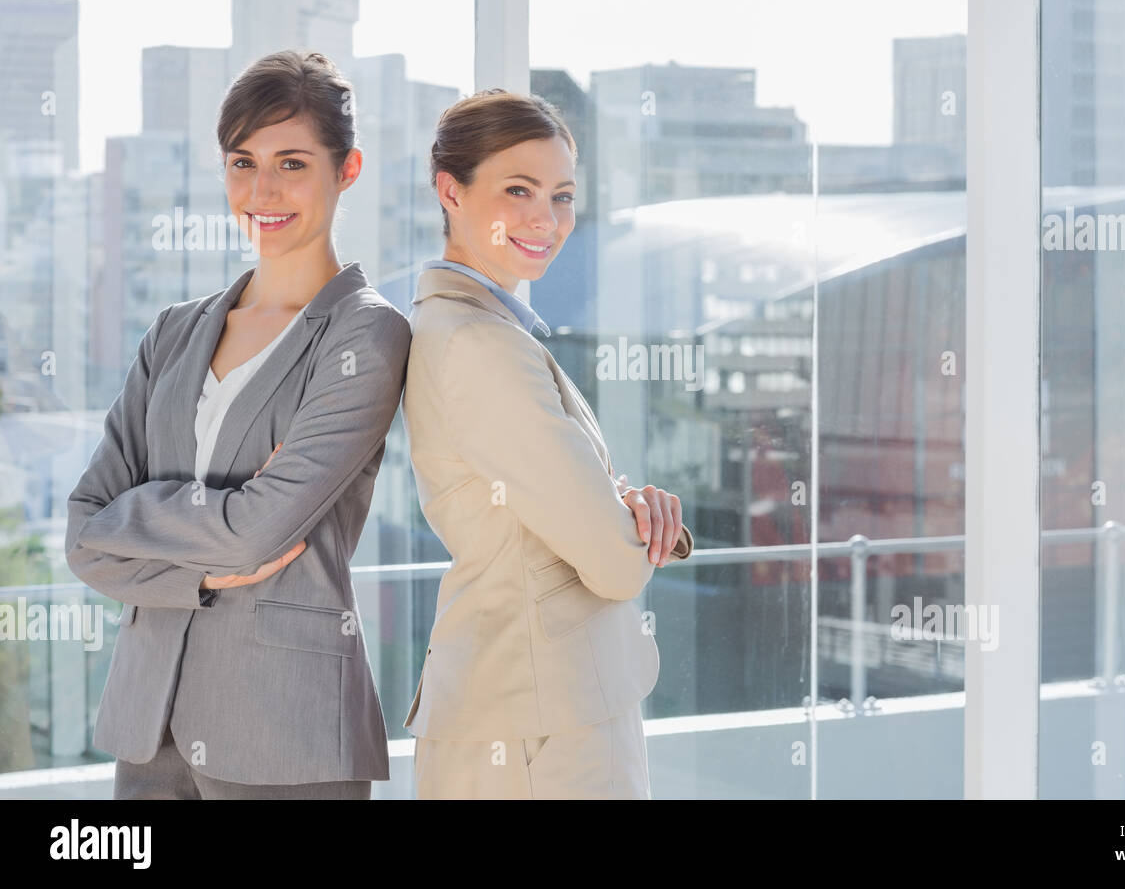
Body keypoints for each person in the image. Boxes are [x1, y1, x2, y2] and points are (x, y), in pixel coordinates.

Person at [64, 50, 411, 799]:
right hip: (148, 718)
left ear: (346, 170)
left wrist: (143, 520)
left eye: (291, 162)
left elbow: (264, 530)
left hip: (283, 730)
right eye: (241, 162)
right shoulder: (174, 332)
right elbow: (83, 535)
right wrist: (209, 563)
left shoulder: (365, 337)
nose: (261, 190)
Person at [402, 89, 693, 799]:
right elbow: (617, 568)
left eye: (562, 195)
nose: (546, 218)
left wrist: (620, 504)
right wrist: (629, 524)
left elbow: (560, 505)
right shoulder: (479, 343)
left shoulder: (480, 328)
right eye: (518, 190)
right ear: (451, 191)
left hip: (531, 713)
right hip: (539, 727)